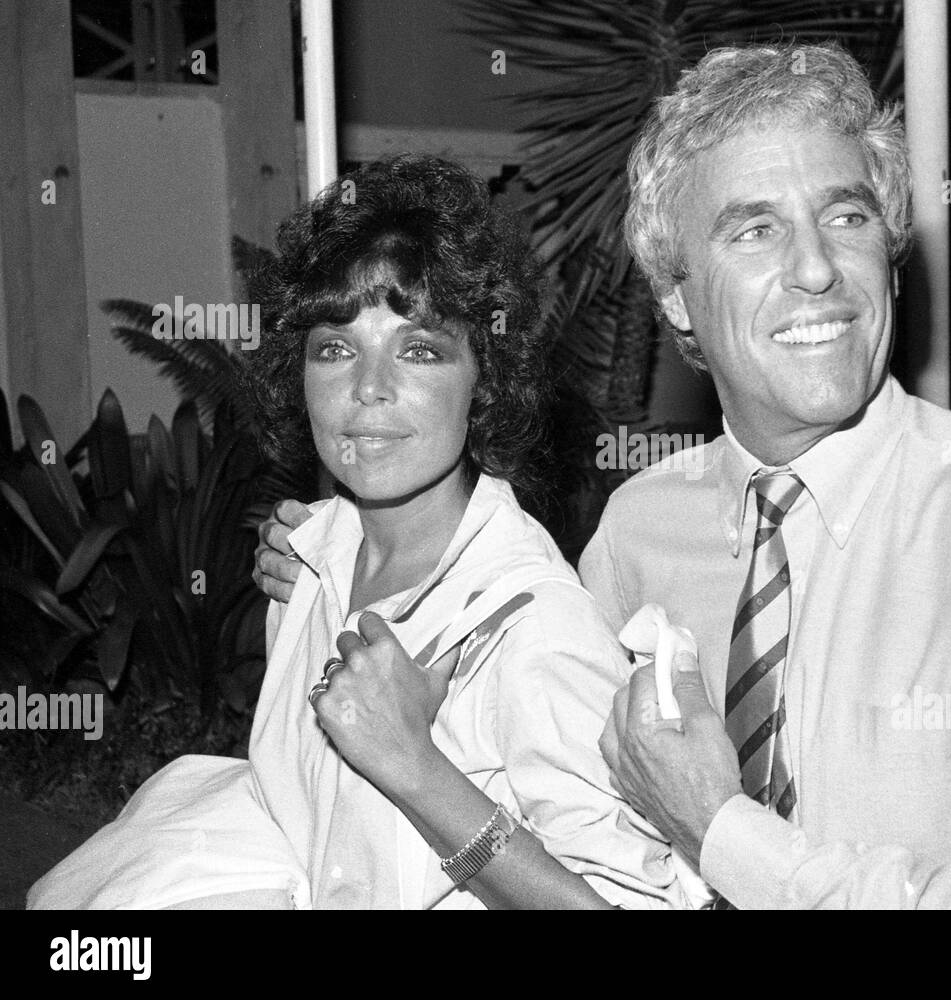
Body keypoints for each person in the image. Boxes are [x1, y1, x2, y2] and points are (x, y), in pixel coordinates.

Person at [254, 45, 951, 909]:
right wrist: (339, 559)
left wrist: (721, 829)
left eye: (845, 215)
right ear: (676, 297)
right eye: (753, 231)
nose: (816, 270)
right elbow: (544, 786)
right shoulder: (638, 530)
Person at [29, 154, 687, 910]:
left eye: (419, 350)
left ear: (485, 382)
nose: (368, 388)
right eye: (335, 348)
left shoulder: (535, 631)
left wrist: (417, 767)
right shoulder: (308, 563)